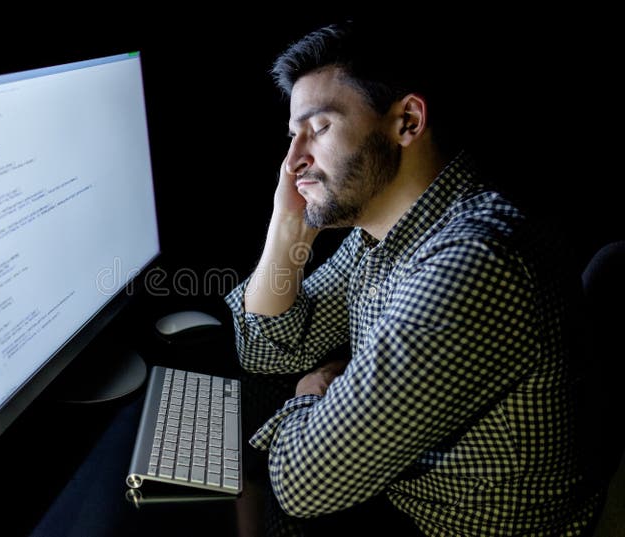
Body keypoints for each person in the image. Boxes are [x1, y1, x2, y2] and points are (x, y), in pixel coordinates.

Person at [224, 21, 603, 536]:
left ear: (406, 121)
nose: (293, 163)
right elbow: (265, 347)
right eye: (293, 137)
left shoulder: (475, 263)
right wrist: (287, 219)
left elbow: (301, 482)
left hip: (453, 528)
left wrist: (313, 389)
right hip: (404, 497)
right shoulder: (380, 235)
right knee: (235, 430)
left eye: (320, 128)